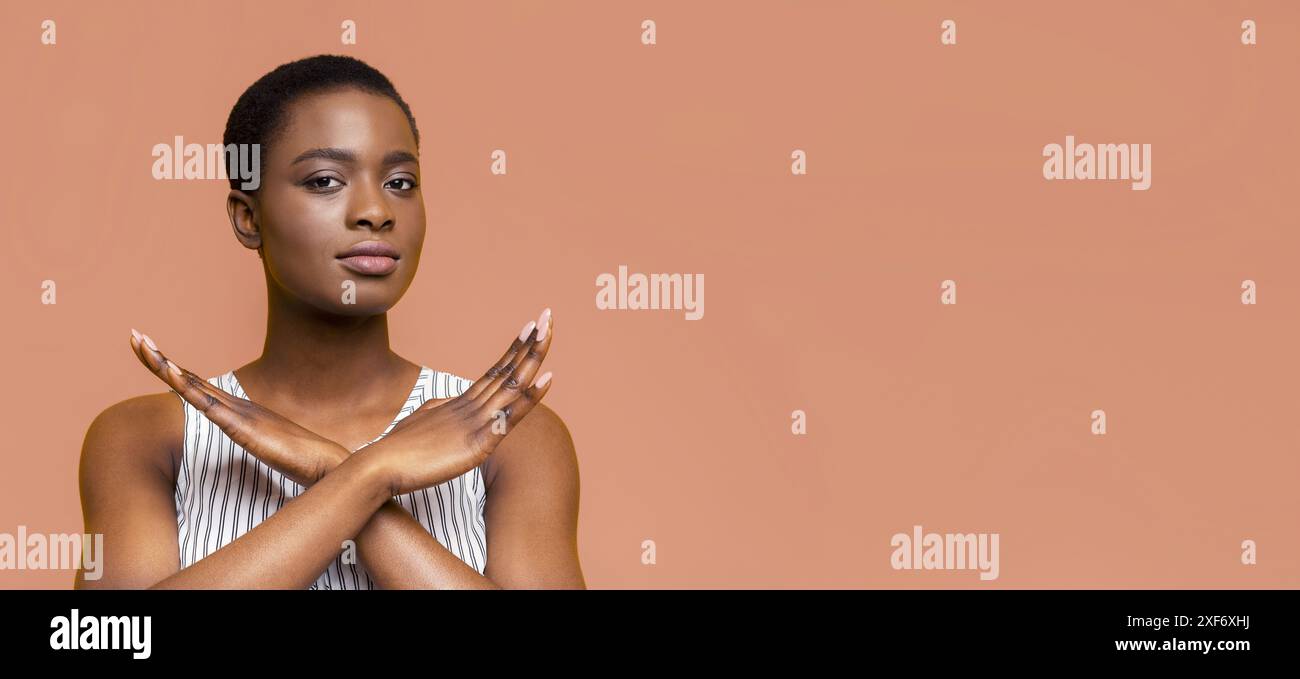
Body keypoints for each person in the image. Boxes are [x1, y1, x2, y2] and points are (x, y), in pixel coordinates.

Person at [74, 54, 585, 589]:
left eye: (401, 182)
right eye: (324, 180)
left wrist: (337, 471)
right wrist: (366, 474)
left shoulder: (505, 433)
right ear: (248, 218)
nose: (375, 211)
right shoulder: (148, 437)